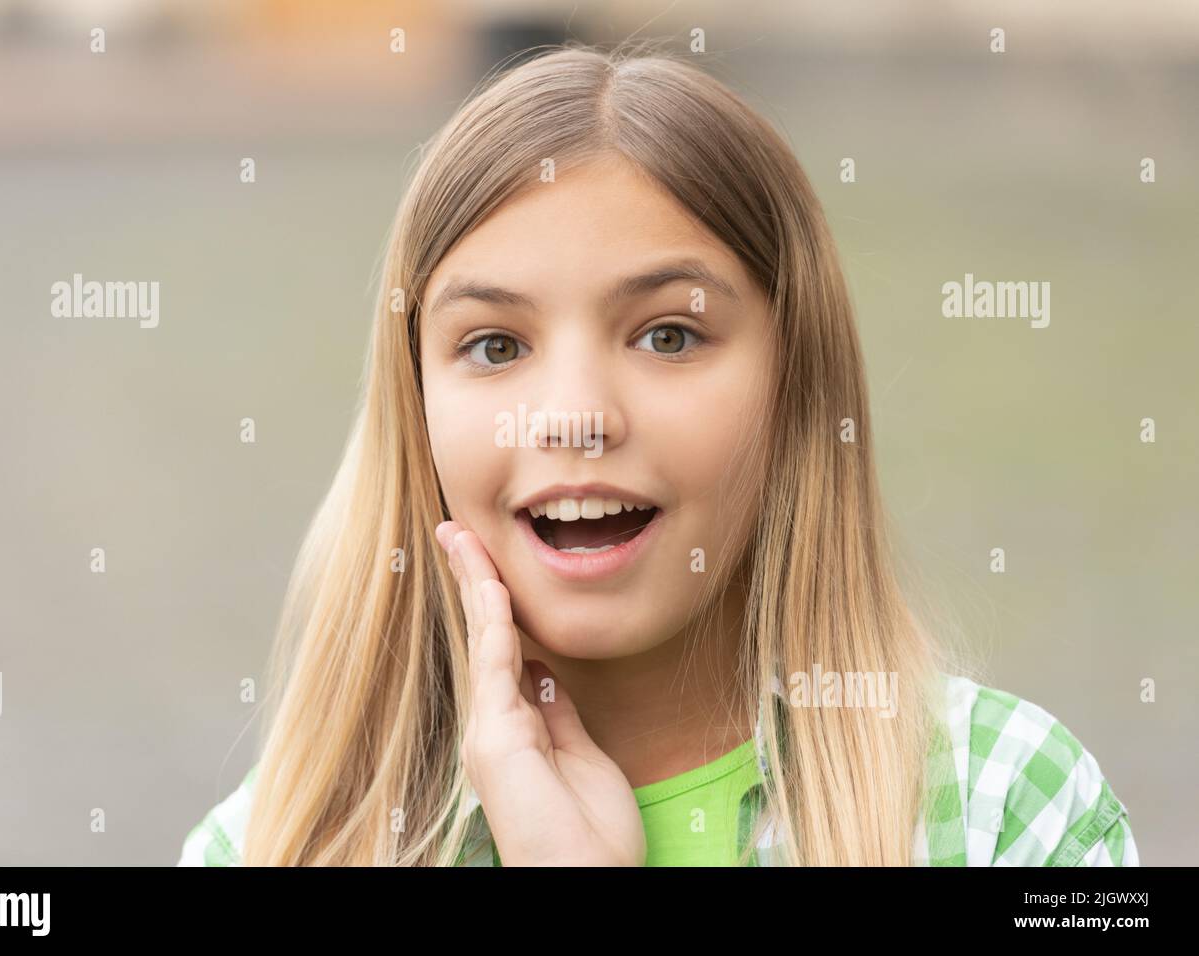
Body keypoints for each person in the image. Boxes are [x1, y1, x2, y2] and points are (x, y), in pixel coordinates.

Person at [177, 41, 1137, 867]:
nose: (577, 419)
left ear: (796, 383)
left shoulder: (1006, 809)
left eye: (668, 336)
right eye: (496, 346)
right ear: (415, 406)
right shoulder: (273, 842)